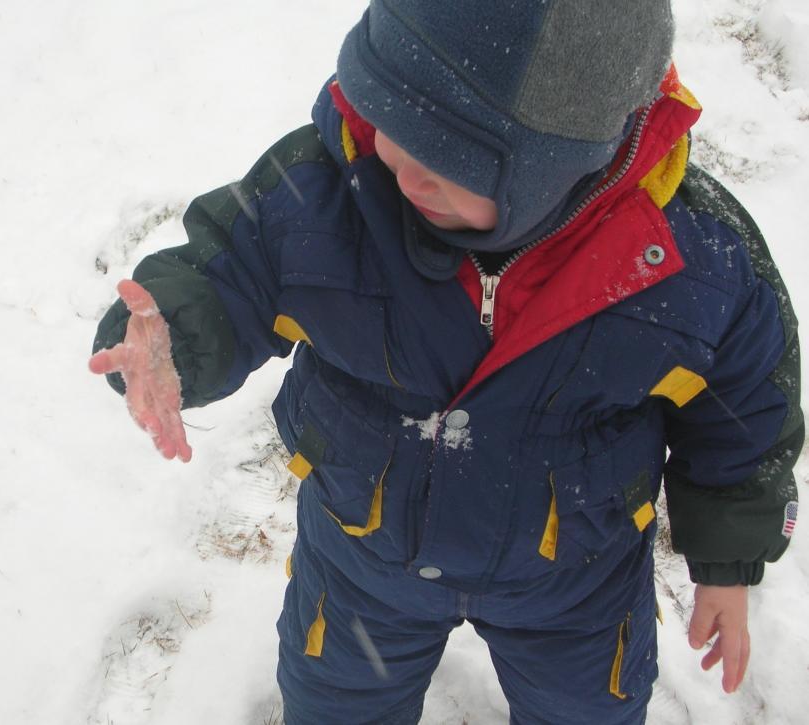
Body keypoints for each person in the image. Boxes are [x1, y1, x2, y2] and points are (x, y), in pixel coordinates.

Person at [89, 1, 803, 722]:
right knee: (339, 702)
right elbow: (230, 268)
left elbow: (745, 416)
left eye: (444, 156)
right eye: (384, 116)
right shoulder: (331, 188)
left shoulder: (690, 259)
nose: (398, 162)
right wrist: (174, 332)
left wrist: (728, 562)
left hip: (572, 581)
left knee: (583, 711)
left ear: (556, 165)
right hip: (365, 556)